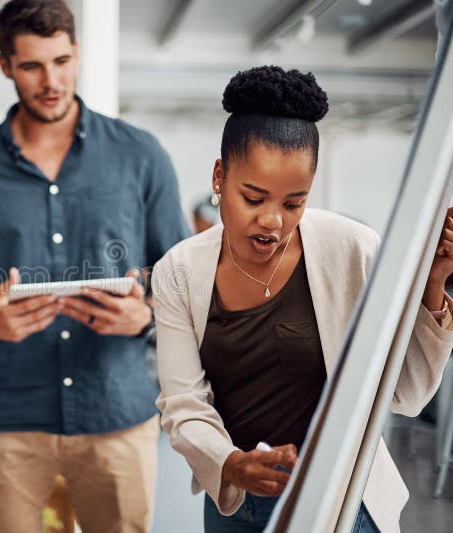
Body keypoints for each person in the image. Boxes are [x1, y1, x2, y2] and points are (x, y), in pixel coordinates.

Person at [0, 1, 189, 531]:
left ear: (78, 52)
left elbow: (182, 283)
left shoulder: (142, 156)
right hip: (7, 424)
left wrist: (146, 315)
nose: (51, 80)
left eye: (62, 61)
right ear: (4, 66)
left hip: (116, 416)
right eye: (32, 66)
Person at [152, 66, 453, 533]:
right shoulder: (179, 270)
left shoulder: (352, 248)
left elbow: (407, 395)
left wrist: (432, 286)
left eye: (294, 203)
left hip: (348, 503)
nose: (272, 220)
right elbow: (184, 404)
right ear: (219, 176)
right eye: (253, 198)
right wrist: (231, 464)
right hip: (239, 505)